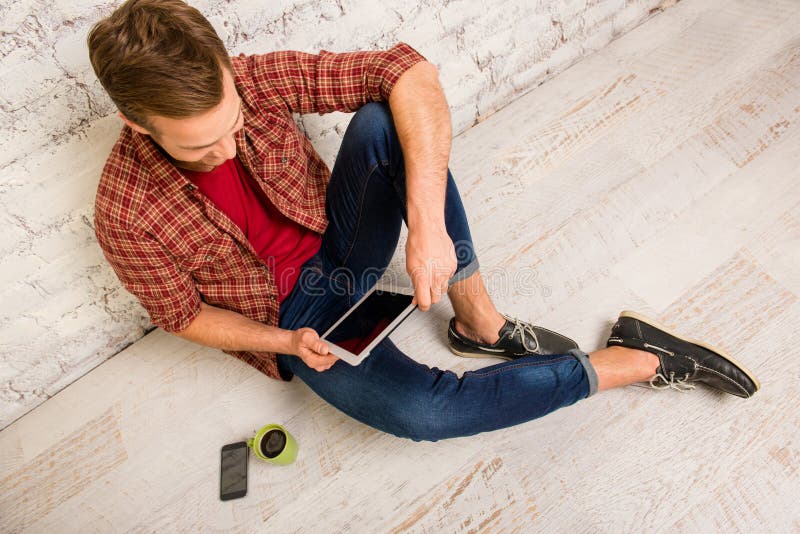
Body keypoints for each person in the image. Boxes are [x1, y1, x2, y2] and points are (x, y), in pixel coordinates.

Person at [86, 0, 760, 442]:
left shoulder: (252, 78)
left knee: (387, 121)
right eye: (201, 148)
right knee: (424, 413)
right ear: (135, 123)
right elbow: (179, 315)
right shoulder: (124, 212)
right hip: (292, 319)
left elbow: (406, 71)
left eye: (233, 125)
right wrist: (286, 346)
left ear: (229, 77)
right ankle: (632, 360)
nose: (227, 151)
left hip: (344, 242)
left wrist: (427, 226)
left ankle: (479, 322)